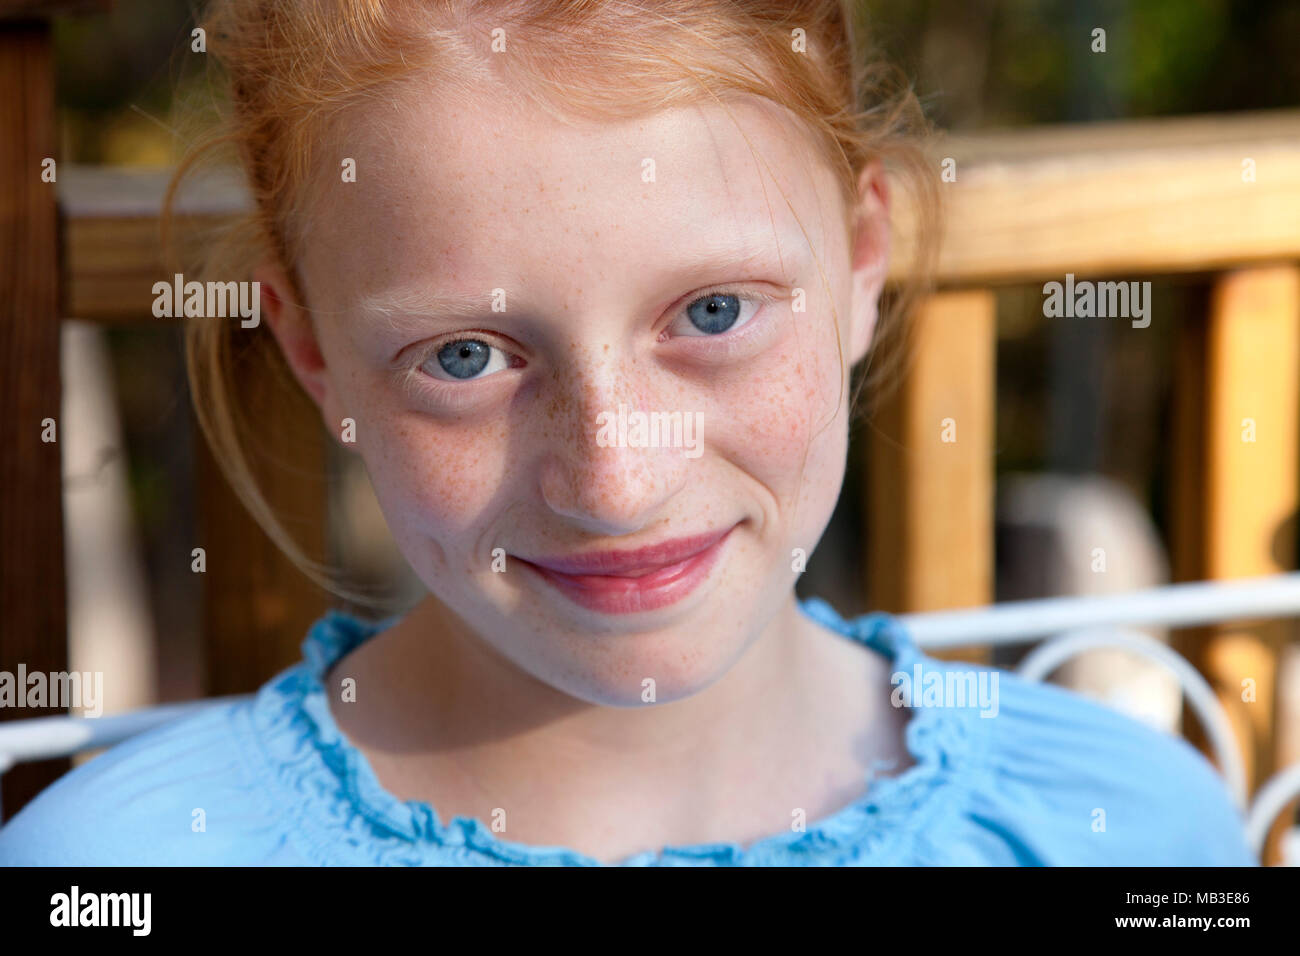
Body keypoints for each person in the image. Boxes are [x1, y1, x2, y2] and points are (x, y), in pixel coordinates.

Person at [0, 0, 1254, 866]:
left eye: (710, 312)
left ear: (862, 263)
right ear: (313, 348)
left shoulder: (1129, 823)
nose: (616, 477)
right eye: (466, 356)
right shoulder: (121, 870)